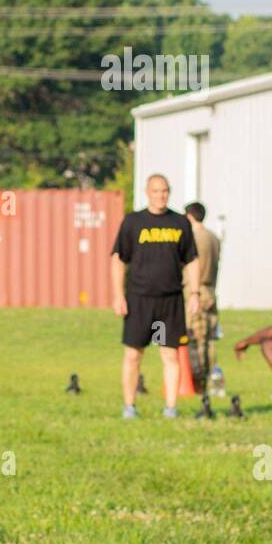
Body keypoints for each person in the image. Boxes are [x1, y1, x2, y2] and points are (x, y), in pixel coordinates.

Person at [111, 174, 200, 420]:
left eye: (164, 191)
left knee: (169, 354)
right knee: (133, 355)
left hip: (168, 303)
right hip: (140, 301)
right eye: (156, 191)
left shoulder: (180, 223)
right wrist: (118, 295)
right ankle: (130, 406)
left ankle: (170, 408)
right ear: (147, 192)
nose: (160, 195)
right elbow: (118, 259)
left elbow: (192, 259)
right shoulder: (133, 222)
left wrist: (194, 293)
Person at [183, 201, 221, 411]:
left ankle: (198, 382)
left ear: (189, 217)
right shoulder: (214, 238)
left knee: (195, 339)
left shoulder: (193, 239)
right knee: (209, 339)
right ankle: (209, 377)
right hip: (211, 292)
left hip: (194, 291)